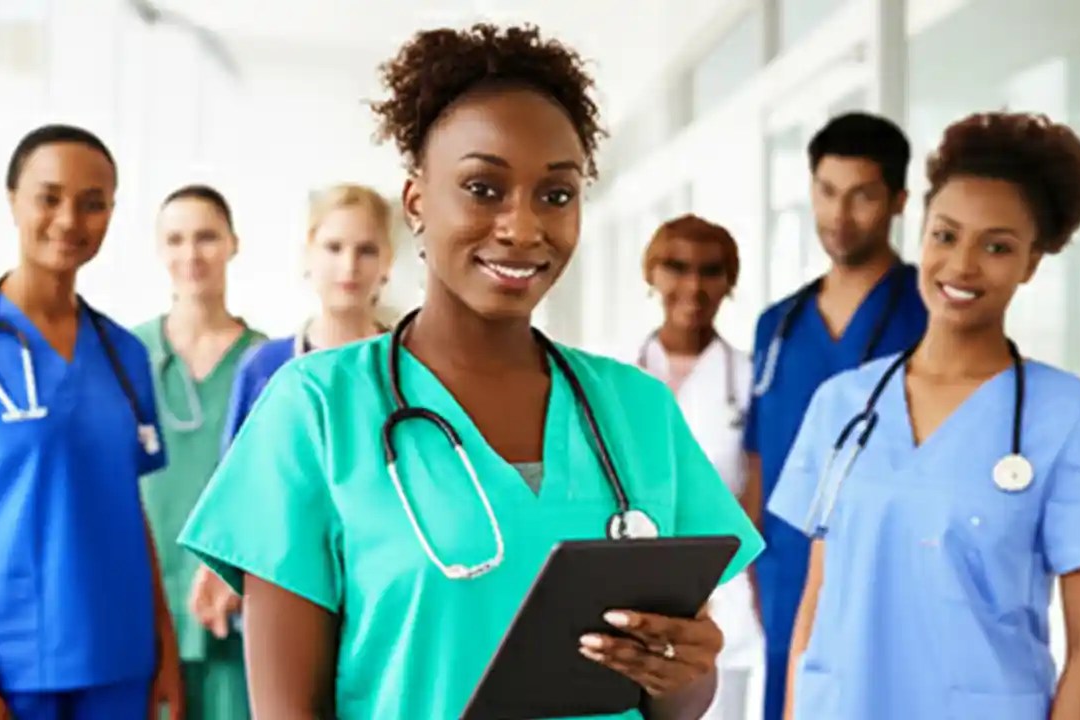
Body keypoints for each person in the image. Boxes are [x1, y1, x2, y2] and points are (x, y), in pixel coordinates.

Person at [178, 23, 764, 720]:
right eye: (484, 188)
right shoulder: (316, 409)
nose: (522, 228)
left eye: (555, 195)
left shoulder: (638, 411)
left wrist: (685, 672)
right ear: (418, 202)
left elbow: (678, 705)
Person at [772, 111, 1080, 719]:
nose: (962, 265)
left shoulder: (1070, 419)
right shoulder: (842, 403)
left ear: (1032, 263)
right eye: (945, 235)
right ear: (921, 235)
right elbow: (815, 605)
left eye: (997, 246)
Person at [0, 124, 183, 719]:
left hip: (120, 663)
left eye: (93, 203)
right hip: (7, 668)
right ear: (12, 199)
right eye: (49, 197)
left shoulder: (124, 355)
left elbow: (130, 509)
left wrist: (164, 650)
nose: (70, 219)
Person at [743, 111, 927, 720]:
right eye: (826, 191)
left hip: (894, 571)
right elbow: (759, 454)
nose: (839, 216)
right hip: (787, 570)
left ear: (899, 200)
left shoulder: (928, 318)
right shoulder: (778, 326)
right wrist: (752, 560)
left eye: (862, 196)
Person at [132, 185, 266, 719]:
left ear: (233, 243)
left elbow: (278, 495)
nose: (192, 254)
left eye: (207, 237)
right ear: (159, 249)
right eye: (177, 239)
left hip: (233, 614)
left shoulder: (267, 363)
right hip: (143, 608)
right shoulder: (127, 355)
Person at [635, 214, 764, 720]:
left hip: (726, 583)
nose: (693, 285)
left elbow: (757, 483)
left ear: (730, 281)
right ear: (652, 274)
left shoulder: (750, 378)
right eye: (677, 267)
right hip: (635, 577)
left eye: (711, 270)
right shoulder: (618, 371)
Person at [220, 182, 395, 449]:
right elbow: (238, 481)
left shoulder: (408, 367)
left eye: (366, 250)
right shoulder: (265, 367)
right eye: (334, 248)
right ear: (308, 256)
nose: (349, 265)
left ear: (387, 261)